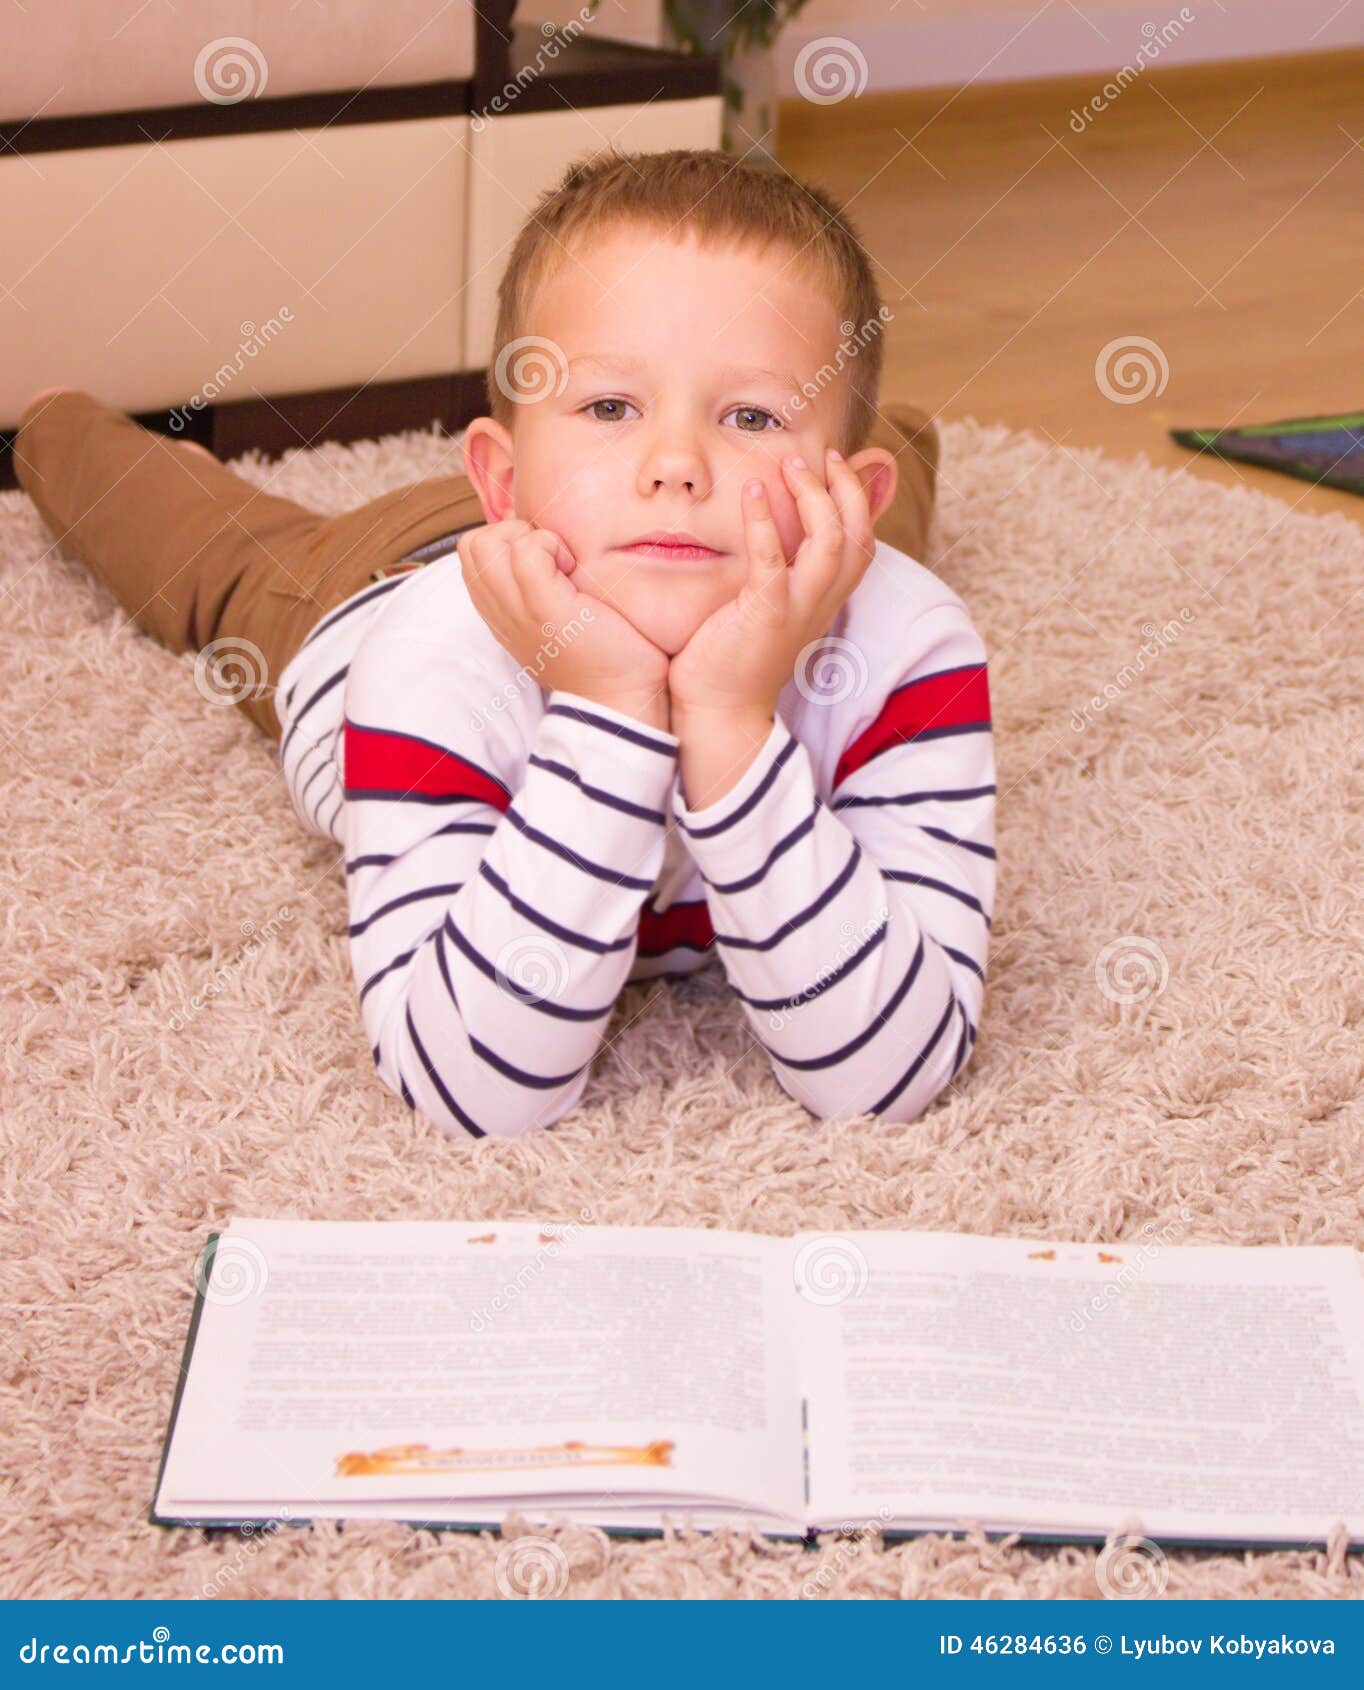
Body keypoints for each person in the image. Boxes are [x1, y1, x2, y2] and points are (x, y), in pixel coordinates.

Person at [15, 145, 995, 1141]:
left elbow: (885, 1074)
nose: (674, 463)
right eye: (610, 405)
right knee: (207, 555)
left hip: (715, 550)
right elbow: (472, 1090)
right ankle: (59, 426)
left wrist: (733, 724)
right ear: (499, 476)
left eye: (750, 414)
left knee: (851, 544)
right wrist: (612, 711)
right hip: (369, 578)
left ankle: (888, 442)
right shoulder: (425, 659)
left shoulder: (900, 646)